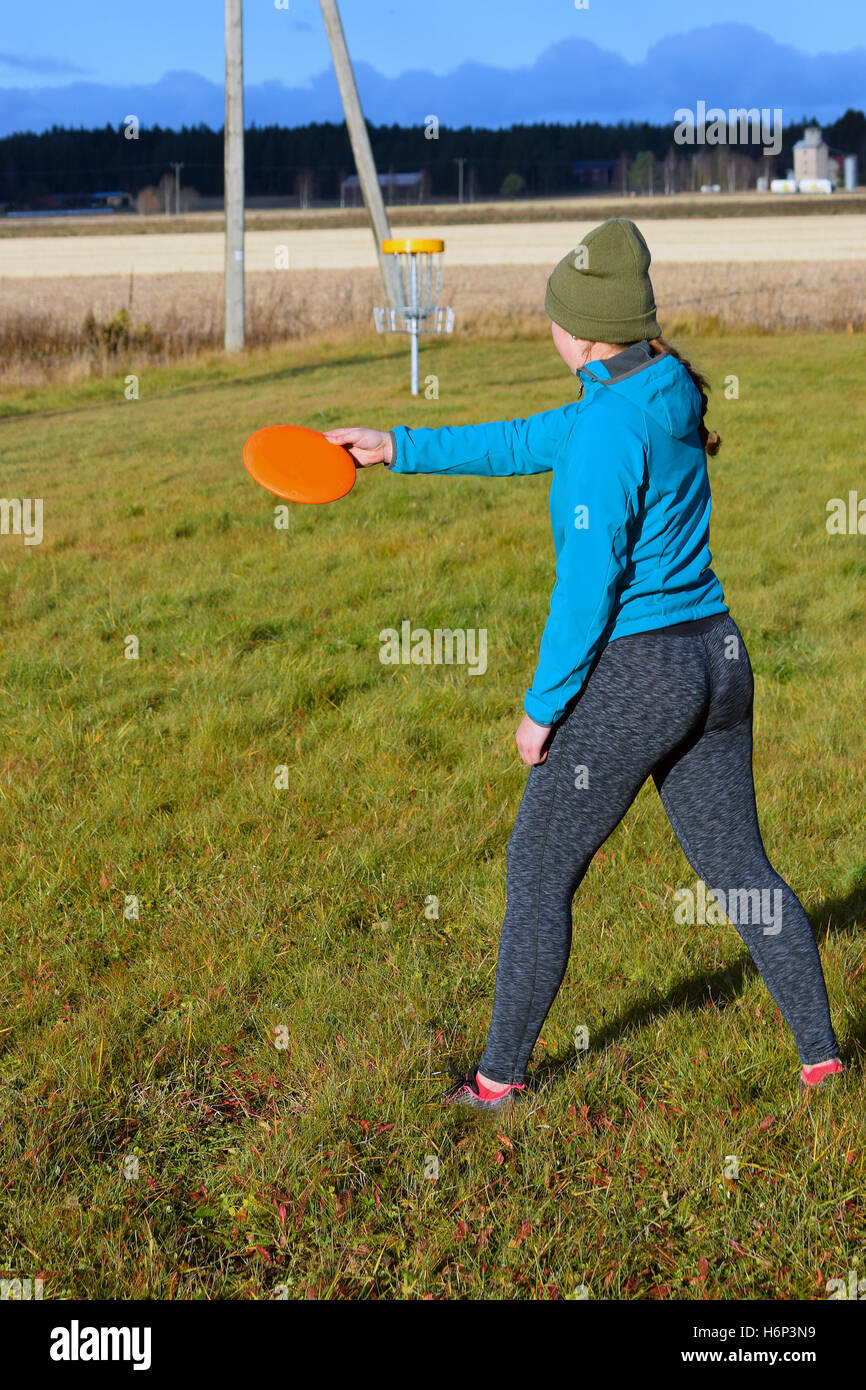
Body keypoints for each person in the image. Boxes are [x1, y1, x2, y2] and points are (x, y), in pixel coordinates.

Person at [325, 218, 842, 1109]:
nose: (549, 326)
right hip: (718, 659)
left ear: (584, 330)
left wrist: (542, 710)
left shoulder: (609, 427)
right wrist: (398, 445)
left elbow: (586, 590)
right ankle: (824, 1061)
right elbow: (529, 439)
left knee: (537, 870)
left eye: (556, 314)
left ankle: (498, 1083)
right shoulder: (658, 383)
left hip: (642, 676)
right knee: (740, 872)